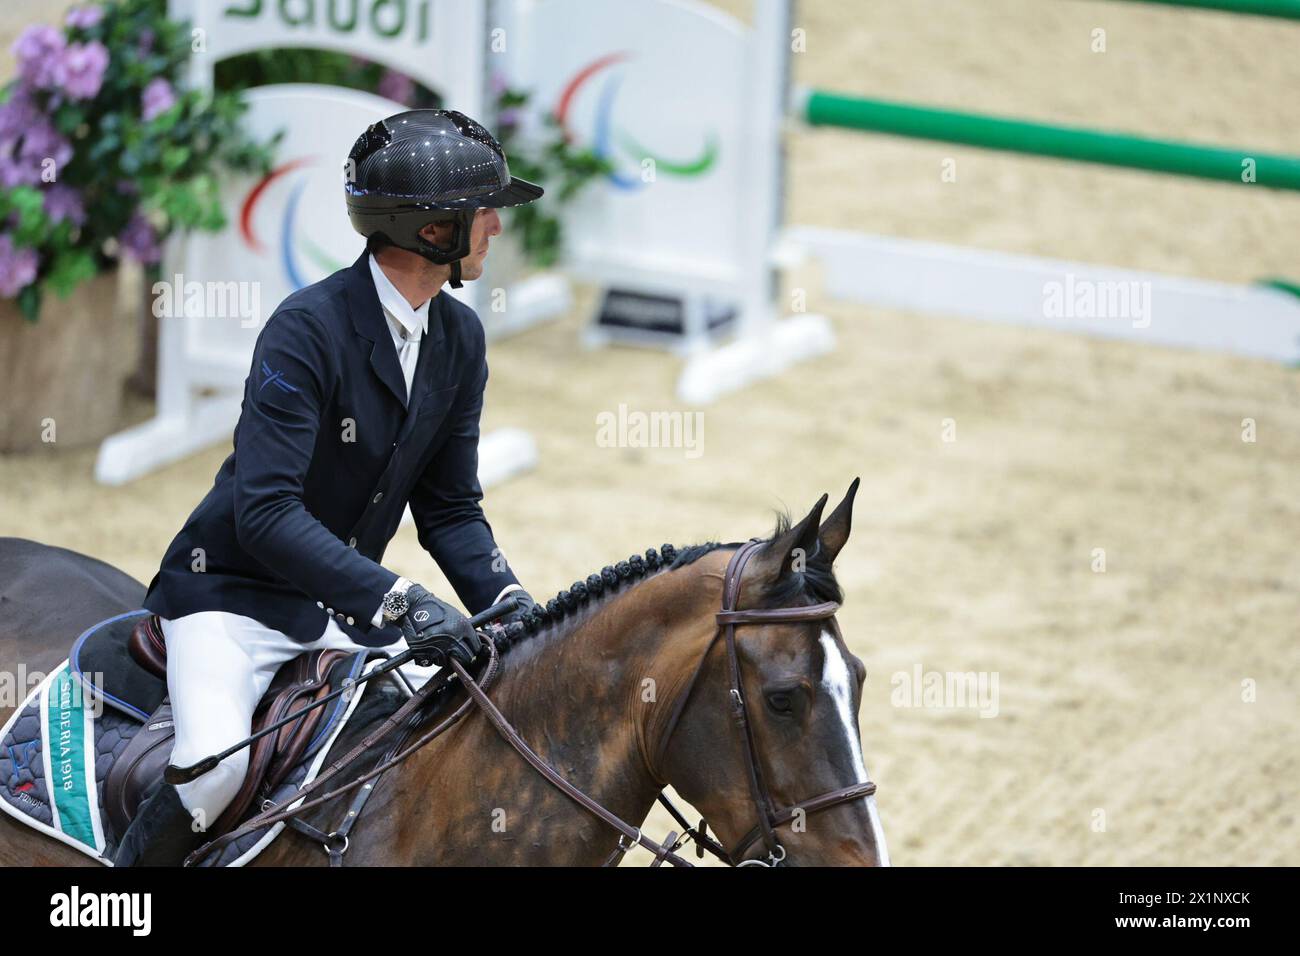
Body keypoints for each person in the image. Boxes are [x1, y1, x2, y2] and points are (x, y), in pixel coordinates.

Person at [114, 109, 539, 866]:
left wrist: (508, 601)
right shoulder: (305, 330)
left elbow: (448, 507)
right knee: (214, 770)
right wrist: (401, 600)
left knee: (446, 734)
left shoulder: (458, 339)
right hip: (231, 597)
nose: (496, 231)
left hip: (342, 606)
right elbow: (266, 513)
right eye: (486, 215)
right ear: (434, 230)